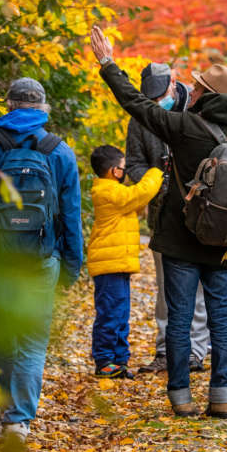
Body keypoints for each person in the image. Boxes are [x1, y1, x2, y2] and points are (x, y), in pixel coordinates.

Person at [90, 28, 227, 419]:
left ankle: (181, 395)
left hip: (180, 241)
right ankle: (222, 395)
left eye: (199, 87)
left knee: (180, 317)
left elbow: (136, 104)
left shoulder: (187, 127)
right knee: (222, 317)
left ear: (207, 94)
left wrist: (108, 64)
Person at [0, 77, 84, 452]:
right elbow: (71, 215)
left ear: (7, 106)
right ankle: (18, 421)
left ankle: (8, 409)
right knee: (33, 340)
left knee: (4, 336)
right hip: (41, 261)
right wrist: (72, 265)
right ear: (42, 109)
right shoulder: (60, 152)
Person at [124, 61, 211, 375]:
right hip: (162, 215)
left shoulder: (199, 111)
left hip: (201, 214)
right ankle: (165, 351)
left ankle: (196, 351)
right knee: (166, 289)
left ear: (174, 83)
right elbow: (133, 163)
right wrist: (159, 184)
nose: (157, 100)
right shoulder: (141, 119)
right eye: (152, 97)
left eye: (161, 93)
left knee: (199, 287)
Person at [87, 144, 165, 378]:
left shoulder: (113, 192)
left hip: (117, 264)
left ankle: (119, 359)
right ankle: (104, 360)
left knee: (120, 313)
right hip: (108, 265)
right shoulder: (107, 192)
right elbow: (138, 194)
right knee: (110, 314)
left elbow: (138, 202)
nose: (125, 171)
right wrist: (156, 171)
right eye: (123, 168)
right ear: (113, 171)